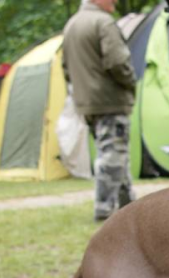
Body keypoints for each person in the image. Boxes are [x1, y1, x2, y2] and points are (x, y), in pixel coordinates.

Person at [62, 0, 137, 221]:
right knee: (112, 155)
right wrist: (131, 81)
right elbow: (117, 61)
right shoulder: (103, 22)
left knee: (115, 153)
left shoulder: (72, 24)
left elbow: (65, 67)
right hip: (109, 99)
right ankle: (104, 208)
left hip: (87, 102)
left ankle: (128, 206)